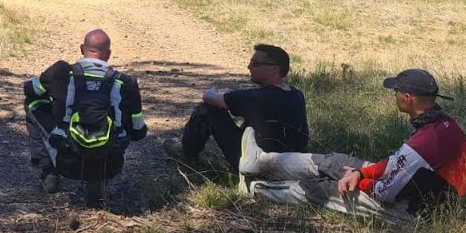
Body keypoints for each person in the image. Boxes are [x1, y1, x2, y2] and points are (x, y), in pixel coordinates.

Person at [238, 69, 466, 222]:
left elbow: (387, 193)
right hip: (419, 188)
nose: (394, 95)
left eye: (396, 91)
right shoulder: (442, 123)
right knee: (336, 162)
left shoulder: (424, 143)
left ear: (407, 98)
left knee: (324, 188)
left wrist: (358, 181)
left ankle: (254, 187)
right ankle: (261, 161)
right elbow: (395, 162)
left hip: (410, 210)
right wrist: (361, 172)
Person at [24, 29, 146, 194]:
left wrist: (57, 98)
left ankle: (48, 171)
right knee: (126, 123)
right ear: (109, 53)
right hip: (111, 166)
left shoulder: (61, 72)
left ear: (82, 49)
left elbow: (30, 89)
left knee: (33, 102)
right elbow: (139, 132)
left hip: (66, 159)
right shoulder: (126, 82)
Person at [165, 44, 308, 177]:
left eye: (255, 63)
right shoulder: (297, 94)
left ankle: (186, 153)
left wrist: (213, 91)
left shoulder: (257, 98)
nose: (249, 67)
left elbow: (208, 97)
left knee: (207, 109)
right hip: (292, 165)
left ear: (275, 69)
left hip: (256, 165)